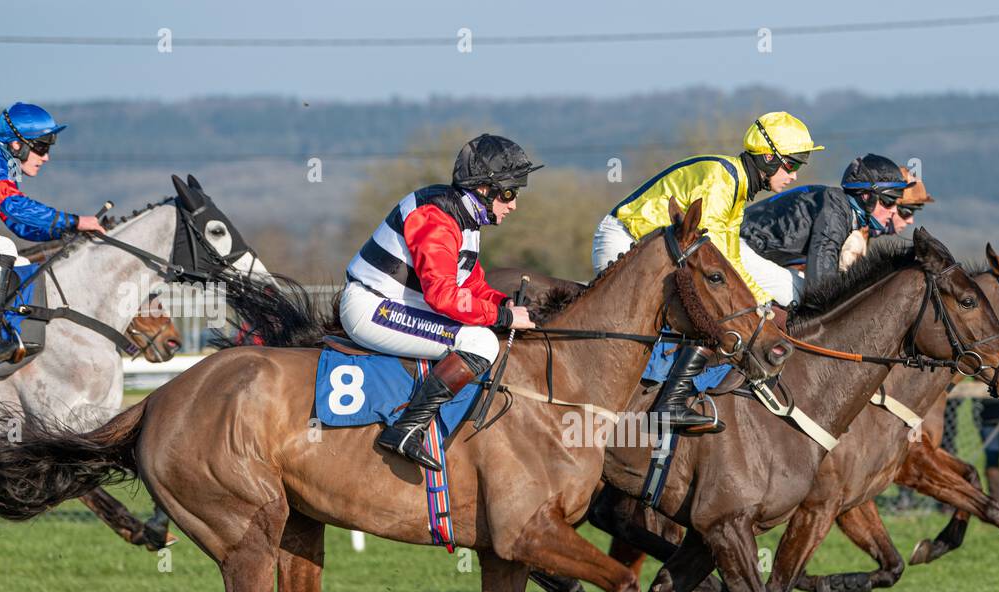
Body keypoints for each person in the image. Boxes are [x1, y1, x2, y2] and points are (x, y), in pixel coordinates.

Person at [593, 111, 823, 429]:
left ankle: (670, 399)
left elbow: (729, 263)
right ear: (769, 157)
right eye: (792, 164)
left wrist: (758, 304)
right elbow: (711, 257)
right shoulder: (721, 179)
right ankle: (661, 404)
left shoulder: (736, 191)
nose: (794, 175)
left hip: (656, 251)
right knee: (707, 310)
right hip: (626, 239)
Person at [339, 134, 541, 470]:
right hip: (371, 308)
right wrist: (502, 317)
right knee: (481, 342)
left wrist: (504, 302)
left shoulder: (468, 219)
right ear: (483, 190)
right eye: (509, 193)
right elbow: (444, 296)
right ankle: (406, 429)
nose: (514, 204)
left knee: (483, 331)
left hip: (397, 305)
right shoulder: (436, 219)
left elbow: (471, 283)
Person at [0, 103, 107, 367]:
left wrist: (67, 230)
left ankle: (6, 336)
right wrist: (74, 221)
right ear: (17, 144)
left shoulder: (7, 167)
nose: (46, 157)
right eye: (42, 146)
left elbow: (20, 225)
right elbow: (15, 206)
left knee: (19, 264)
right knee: (1, 248)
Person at [740, 153, 926, 309]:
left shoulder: (839, 207)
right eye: (888, 201)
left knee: (801, 290)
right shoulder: (836, 209)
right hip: (737, 246)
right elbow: (822, 276)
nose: (894, 210)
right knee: (798, 296)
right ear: (866, 196)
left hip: (747, 247)